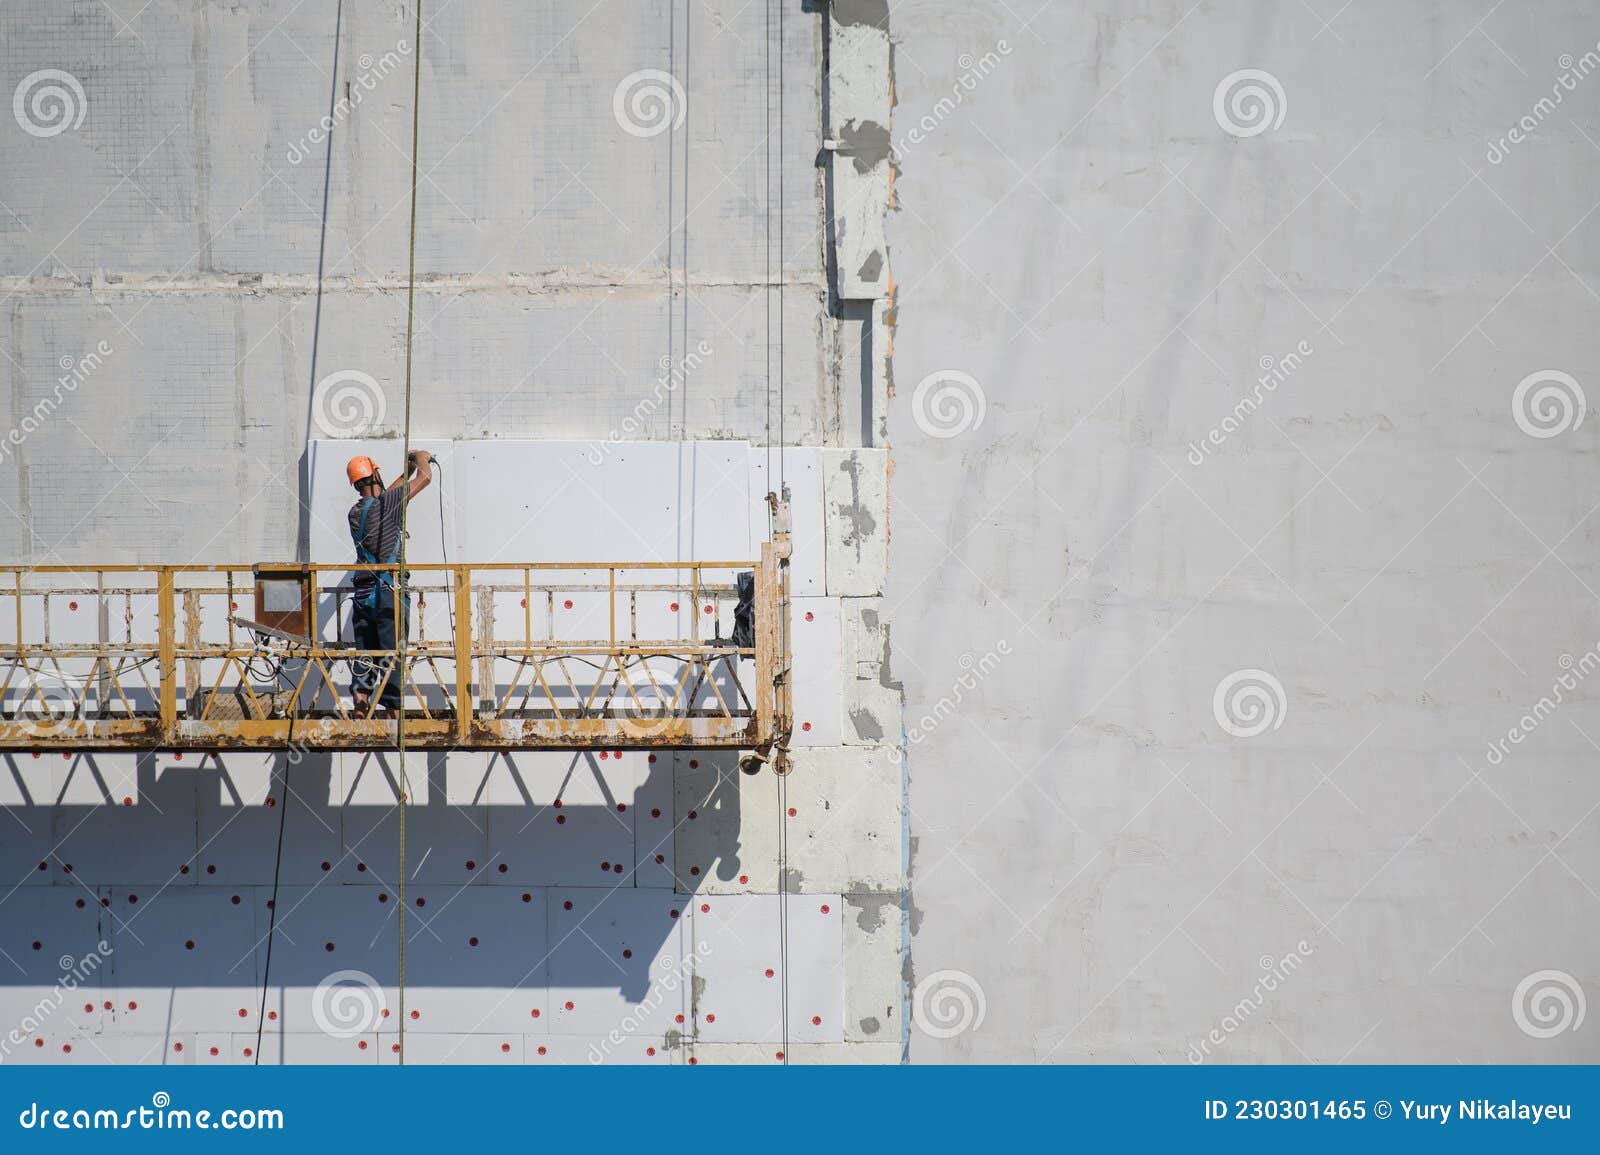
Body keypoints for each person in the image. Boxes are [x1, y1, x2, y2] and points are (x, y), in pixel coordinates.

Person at [344, 450, 432, 718]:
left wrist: (405, 471)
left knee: (365, 650)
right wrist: (421, 459)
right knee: (394, 650)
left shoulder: (355, 512)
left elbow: (382, 497)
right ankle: (393, 707)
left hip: (363, 593)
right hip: (388, 592)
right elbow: (425, 478)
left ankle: (361, 701)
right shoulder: (388, 503)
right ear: (374, 476)